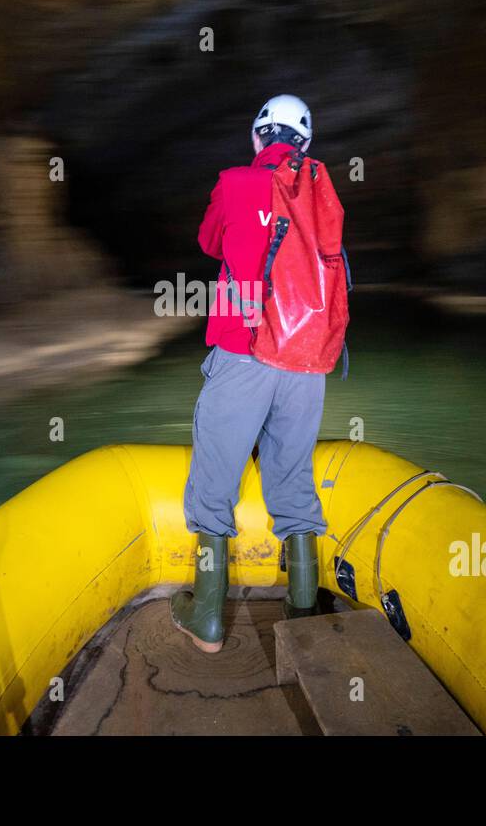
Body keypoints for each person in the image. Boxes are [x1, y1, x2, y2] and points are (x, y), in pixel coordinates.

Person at [170, 94, 331, 653]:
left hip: (244, 352)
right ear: (305, 144)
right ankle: (304, 617)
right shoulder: (321, 190)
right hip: (308, 360)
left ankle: (208, 618)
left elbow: (209, 240)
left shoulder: (236, 181)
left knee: (214, 482)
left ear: (259, 137)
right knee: (293, 479)